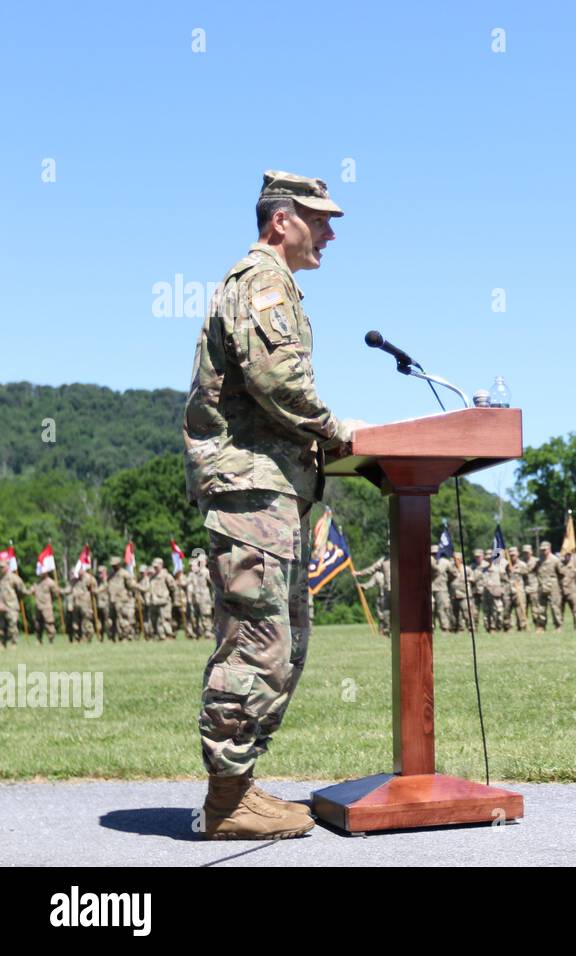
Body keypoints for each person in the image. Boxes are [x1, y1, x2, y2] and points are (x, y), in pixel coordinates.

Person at [183, 169, 357, 840]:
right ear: (280, 221)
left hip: (273, 493)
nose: (331, 232)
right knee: (257, 641)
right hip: (252, 491)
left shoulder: (275, 285)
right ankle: (228, 798)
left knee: (282, 643)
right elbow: (278, 381)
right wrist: (345, 432)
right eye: (320, 219)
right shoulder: (262, 282)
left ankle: (240, 785)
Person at [533, 541, 563, 631]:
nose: (543, 552)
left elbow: (561, 572)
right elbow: (534, 570)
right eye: (542, 550)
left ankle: (558, 626)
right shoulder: (539, 560)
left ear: (549, 549)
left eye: (545, 550)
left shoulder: (555, 560)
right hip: (542, 586)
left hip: (553, 587)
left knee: (555, 607)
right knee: (541, 607)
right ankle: (541, 626)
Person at [0, 563, 30, 649]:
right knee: (1, 627)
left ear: (7, 567)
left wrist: (27, 593)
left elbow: (22, 591)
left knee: (12, 626)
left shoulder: (14, 578)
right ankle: (2, 643)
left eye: (2, 567)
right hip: (1, 607)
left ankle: (14, 643)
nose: (0, 569)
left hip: (11, 606)